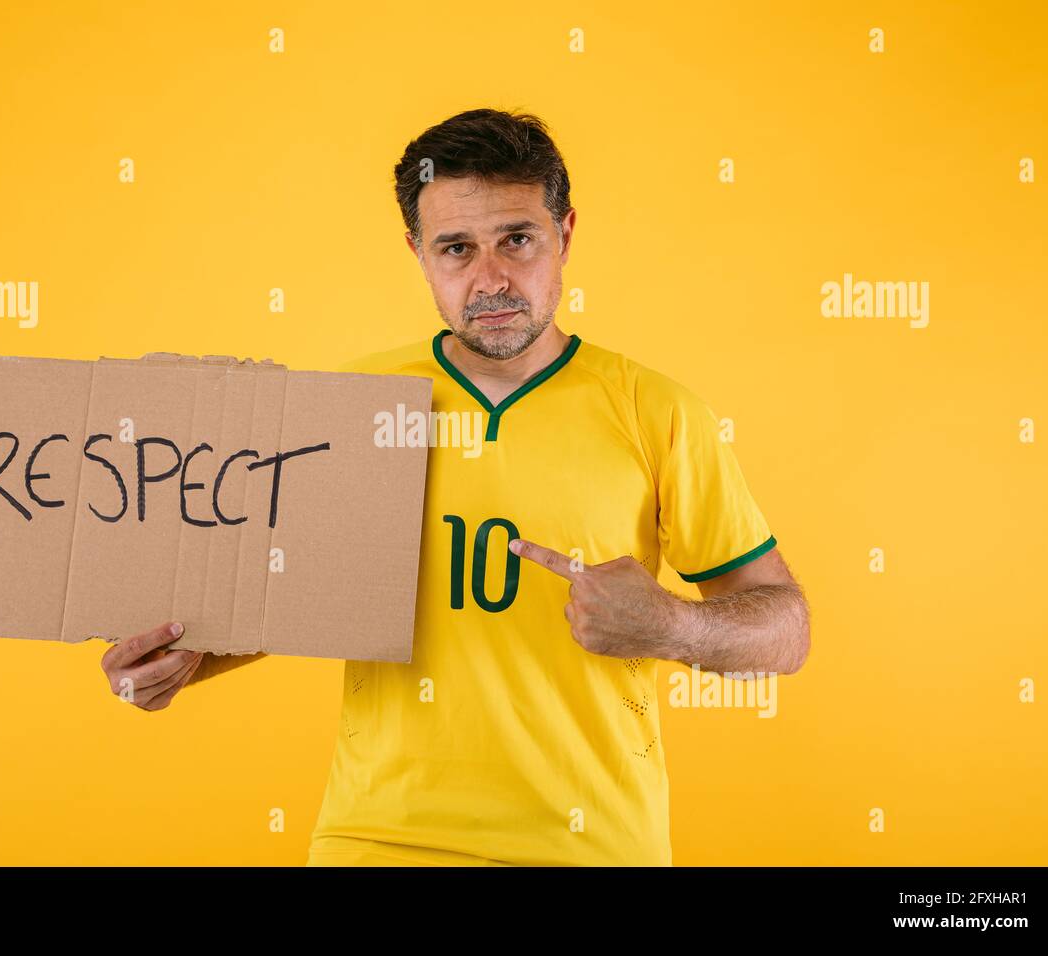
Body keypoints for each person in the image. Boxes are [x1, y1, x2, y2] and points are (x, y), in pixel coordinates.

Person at [100, 108, 811, 866]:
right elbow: (298, 596)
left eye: (517, 239)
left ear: (565, 234)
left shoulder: (658, 412)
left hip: (594, 846)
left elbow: (789, 630)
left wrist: (675, 625)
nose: (491, 279)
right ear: (417, 252)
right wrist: (184, 663)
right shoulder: (355, 400)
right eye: (455, 249)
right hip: (376, 842)